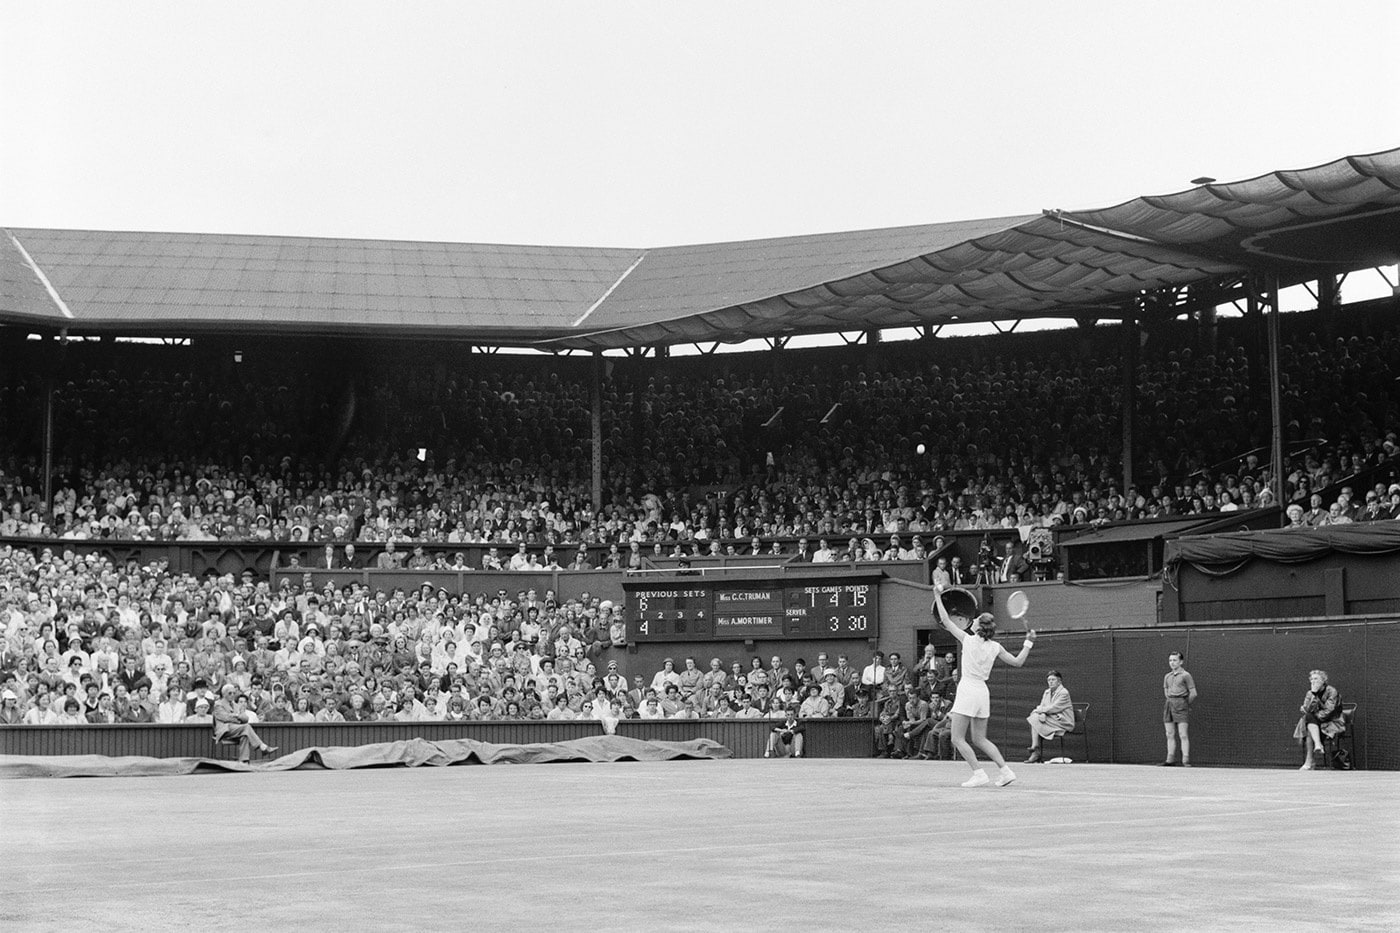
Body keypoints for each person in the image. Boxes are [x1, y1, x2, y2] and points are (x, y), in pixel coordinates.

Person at [933, 590, 1034, 787]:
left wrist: (936, 595)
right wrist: (1028, 642)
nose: (975, 619)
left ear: (978, 626)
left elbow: (945, 619)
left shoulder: (967, 640)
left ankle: (979, 773)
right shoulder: (995, 647)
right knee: (980, 739)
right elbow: (1018, 662)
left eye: (977, 618)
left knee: (957, 738)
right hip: (982, 693)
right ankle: (1006, 771)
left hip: (968, 690)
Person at [212, 684, 278, 764]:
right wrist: (238, 717)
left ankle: (244, 760)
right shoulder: (218, 704)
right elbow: (225, 718)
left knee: (245, 735)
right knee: (246, 727)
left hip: (237, 729)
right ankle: (262, 747)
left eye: (234, 693)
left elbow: (246, 718)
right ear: (224, 694)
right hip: (224, 730)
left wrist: (236, 716)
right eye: (230, 693)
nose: (232, 695)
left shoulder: (237, 706)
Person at [1294, 670, 1345, 770]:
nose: (1313, 681)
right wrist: (1313, 695)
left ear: (1323, 680)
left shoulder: (1332, 691)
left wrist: (1314, 715)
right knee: (1309, 719)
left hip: (1332, 722)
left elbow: (1329, 710)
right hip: (1315, 722)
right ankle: (1318, 745)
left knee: (1309, 723)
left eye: (1316, 679)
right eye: (1311, 679)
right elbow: (1307, 710)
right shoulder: (1310, 693)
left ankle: (1310, 761)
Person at [1024, 670, 1074, 762]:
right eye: (1049, 680)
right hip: (1051, 718)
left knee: (1034, 717)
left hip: (1062, 722)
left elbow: (1053, 708)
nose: (1050, 682)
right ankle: (1035, 749)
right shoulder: (1047, 692)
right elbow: (1043, 705)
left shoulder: (1064, 693)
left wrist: (1040, 711)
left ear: (1059, 681)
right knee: (1035, 717)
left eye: (1053, 680)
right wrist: (1042, 714)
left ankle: (1035, 749)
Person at [1161, 650, 1197, 767]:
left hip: (1181, 704)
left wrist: (1184, 703)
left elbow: (1193, 693)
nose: (1172, 663)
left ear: (1181, 662)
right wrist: (1170, 699)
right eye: (1170, 660)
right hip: (1169, 704)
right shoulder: (1167, 676)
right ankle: (1170, 759)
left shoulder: (1186, 675)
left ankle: (1185, 760)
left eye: (1175, 660)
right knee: (1169, 733)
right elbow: (1166, 690)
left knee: (1183, 734)